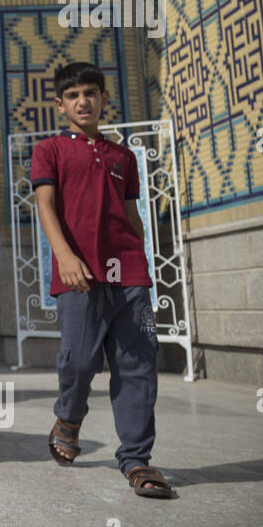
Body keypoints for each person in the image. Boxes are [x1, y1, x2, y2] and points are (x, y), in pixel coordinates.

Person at [31, 62, 172, 498]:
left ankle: (136, 459)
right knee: (79, 360)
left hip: (128, 272)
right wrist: (66, 256)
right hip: (79, 273)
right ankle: (69, 417)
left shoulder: (123, 157)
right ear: (60, 104)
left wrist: (140, 259)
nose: (83, 102)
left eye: (90, 93)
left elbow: (131, 215)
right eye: (73, 96)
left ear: (104, 99)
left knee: (138, 364)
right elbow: (46, 207)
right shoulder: (50, 150)